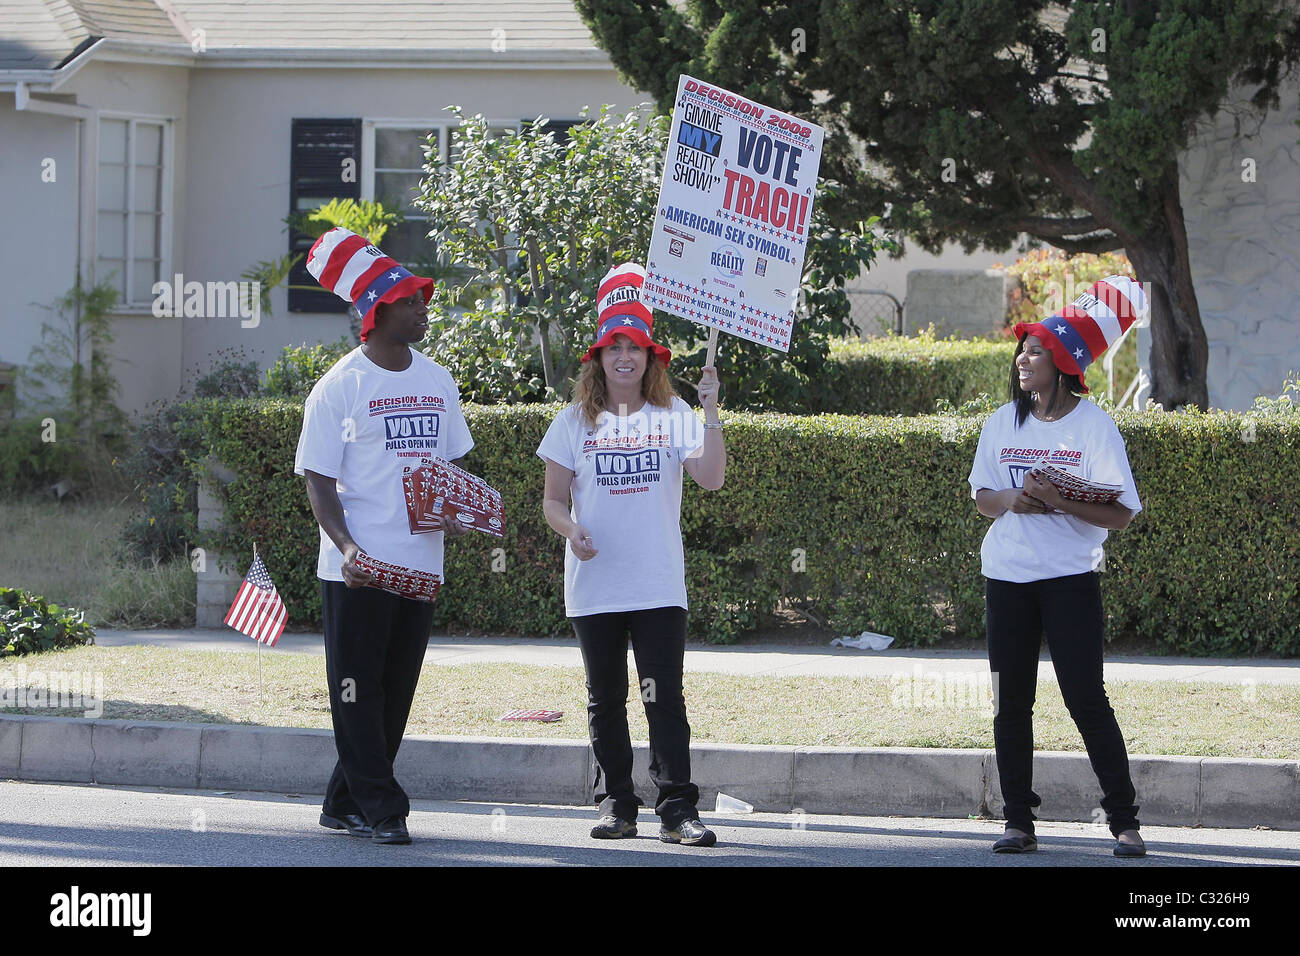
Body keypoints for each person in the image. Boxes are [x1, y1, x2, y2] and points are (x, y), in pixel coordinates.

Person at [294, 227, 474, 846]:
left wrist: (455, 513)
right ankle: (383, 806)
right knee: (354, 688)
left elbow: (448, 470)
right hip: (360, 567)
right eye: (412, 302)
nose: (424, 310)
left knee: (393, 693)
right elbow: (318, 481)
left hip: (420, 564)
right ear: (377, 313)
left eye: (422, 299)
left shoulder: (439, 382)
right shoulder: (340, 387)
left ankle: (344, 801)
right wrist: (347, 549)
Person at [537, 263, 726, 847]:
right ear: (599, 357)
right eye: (614, 346)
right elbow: (551, 500)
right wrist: (572, 530)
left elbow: (712, 479)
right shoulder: (573, 422)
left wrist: (712, 410)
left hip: (657, 584)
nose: (624, 357)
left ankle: (677, 810)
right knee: (606, 700)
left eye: (635, 347)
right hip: (595, 586)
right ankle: (617, 805)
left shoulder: (674, 417)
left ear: (651, 358)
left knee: (663, 697)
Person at [967, 275, 1148, 858]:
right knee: (1010, 702)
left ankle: (1124, 822)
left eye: (1036, 351)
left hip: (1070, 580)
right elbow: (982, 498)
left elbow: (1120, 514)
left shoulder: (1094, 426)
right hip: (1008, 579)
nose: (1024, 359)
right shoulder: (1001, 424)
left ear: (1063, 363)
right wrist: (1014, 501)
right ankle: (1018, 821)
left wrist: (1060, 499)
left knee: (1085, 697)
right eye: (1022, 351)